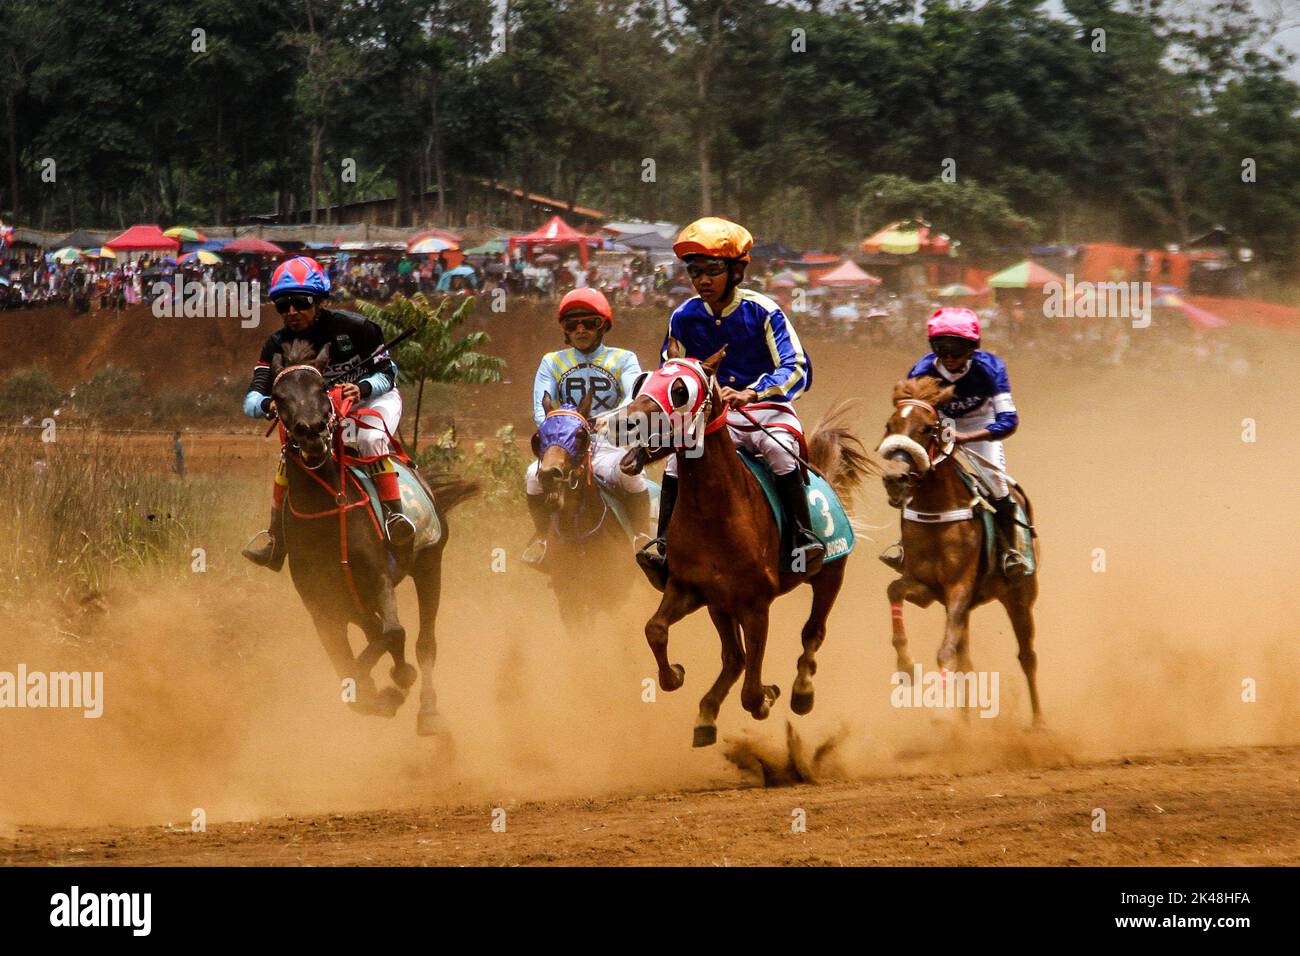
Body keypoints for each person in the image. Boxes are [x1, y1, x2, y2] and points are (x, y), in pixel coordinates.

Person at [635, 216, 824, 580]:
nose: (702, 280)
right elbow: (670, 372)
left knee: (781, 451)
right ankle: (663, 547)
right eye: (695, 272)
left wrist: (752, 391)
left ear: (736, 271)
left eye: (712, 270)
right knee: (677, 462)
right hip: (710, 419)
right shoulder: (683, 317)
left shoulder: (764, 311)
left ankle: (802, 537)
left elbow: (798, 368)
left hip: (767, 412)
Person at [240, 255, 414, 571]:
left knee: (371, 439)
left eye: (301, 302)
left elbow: (388, 373)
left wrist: (361, 388)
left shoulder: (358, 327)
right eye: (283, 305)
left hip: (371, 401)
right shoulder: (276, 344)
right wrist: (267, 405)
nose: (292, 312)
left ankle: (394, 518)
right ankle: (275, 539)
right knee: (288, 456)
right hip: (320, 411)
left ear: (320, 300)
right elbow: (252, 397)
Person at [879, 306, 1031, 576]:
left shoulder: (990, 368)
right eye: (941, 348)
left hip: (982, 425)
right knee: (914, 478)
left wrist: (967, 437)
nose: (948, 357)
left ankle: (1010, 551)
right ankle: (904, 546)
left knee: (997, 486)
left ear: (973, 347)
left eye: (956, 350)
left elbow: (1009, 421)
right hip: (940, 424)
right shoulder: (923, 369)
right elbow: (912, 412)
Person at [522, 288, 651, 565]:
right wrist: (562, 434)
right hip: (566, 447)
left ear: (603, 325)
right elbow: (540, 408)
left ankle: (642, 538)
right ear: (565, 330)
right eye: (572, 324)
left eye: (589, 323)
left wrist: (613, 417)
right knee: (533, 475)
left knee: (630, 473)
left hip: (611, 442)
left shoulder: (624, 359)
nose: (580, 329)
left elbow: (634, 395)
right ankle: (542, 538)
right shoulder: (552, 361)